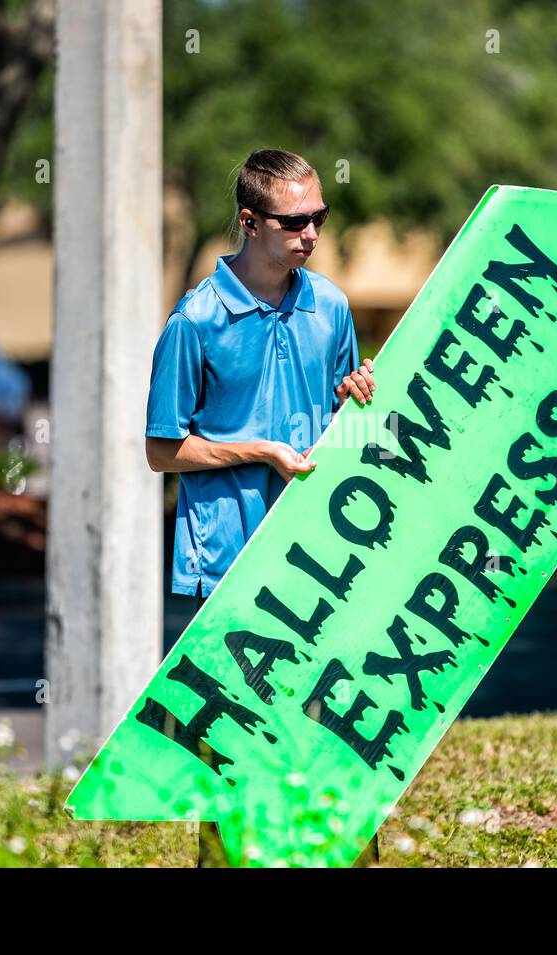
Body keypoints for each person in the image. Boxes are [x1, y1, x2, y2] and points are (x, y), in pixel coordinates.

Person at [145, 148, 377, 618]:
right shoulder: (194, 321)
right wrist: (261, 451)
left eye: (319, 217)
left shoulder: (332, 306)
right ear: (250, 222)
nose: (310, 234)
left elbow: (345, 431)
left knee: (318, 695)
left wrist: (361, 400)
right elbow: (160, 451)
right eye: (293, 222)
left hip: (321, 551)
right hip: (224, 561)